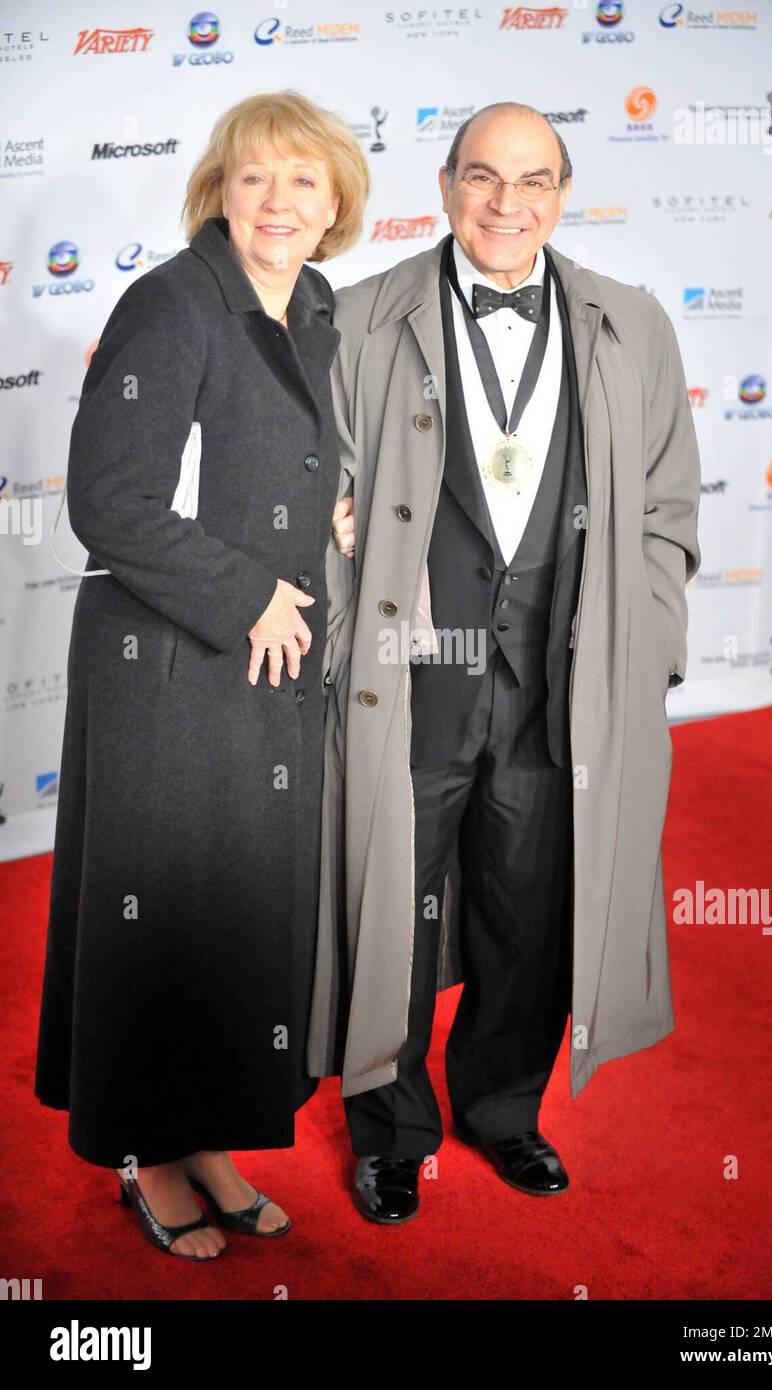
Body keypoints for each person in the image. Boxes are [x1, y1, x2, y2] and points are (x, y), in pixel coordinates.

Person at [307, 101, 702, 1223]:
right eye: (482, 176)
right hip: (410, 676)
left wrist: (647, 651)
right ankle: (390, 1128)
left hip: (560, 680)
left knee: (533, 905)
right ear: (442, 187)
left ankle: (503, 1107)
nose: (505, 203)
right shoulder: (364, 315)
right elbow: (314, 488)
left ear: (563, 193)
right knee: (391, 905)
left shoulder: (630, 324)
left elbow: (668, 506)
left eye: (532, 180)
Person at [34, 91, 369, 1259]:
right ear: (218, 191)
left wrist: (323, 522)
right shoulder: (171, 303)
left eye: (304, 183)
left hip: (267, 668)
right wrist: (247, 593)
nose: (279, 202)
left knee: (231, 916)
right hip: (168, 664)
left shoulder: (316, 307)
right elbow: (108, 503)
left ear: (336, 206)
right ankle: (144, 1153)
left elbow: (254, 464)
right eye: (256, 178)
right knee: (158, 915)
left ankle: (207, 1135)